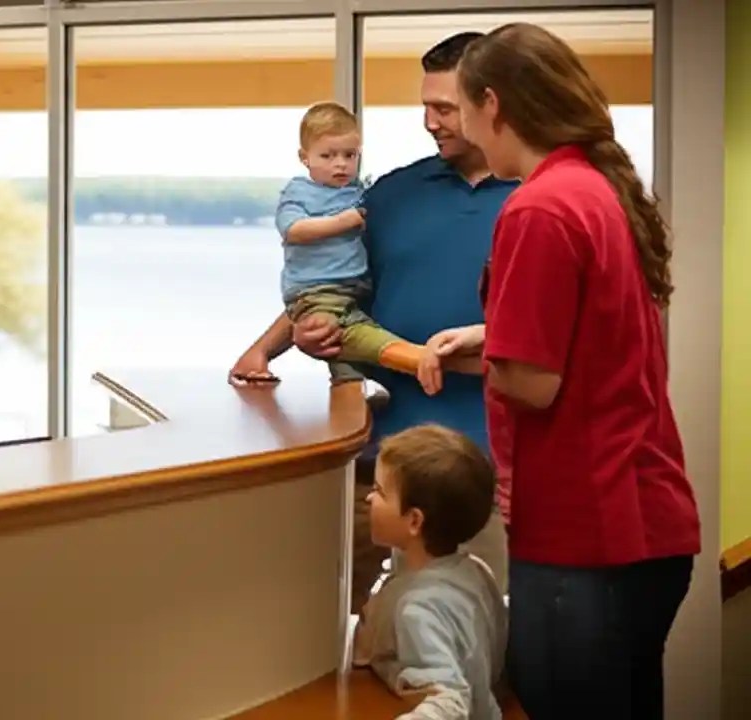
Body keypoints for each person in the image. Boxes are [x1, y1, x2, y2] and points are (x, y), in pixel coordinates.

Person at [418, 23, 701, 720]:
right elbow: (591, 344)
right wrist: (493, 341)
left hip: (586, 534)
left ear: (494, 104)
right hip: (644, 521)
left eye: (459, 108)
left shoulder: (540, 207)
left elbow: (534, 383)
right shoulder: (595, 188)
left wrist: (494, 358)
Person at [230, 32, 517, 611]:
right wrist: (276, 345)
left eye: (445, 108)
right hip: (378, 463)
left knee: (481, 640)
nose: (430, 123)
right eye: (425, 106)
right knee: (342, 634)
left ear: (493, 103)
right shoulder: (389, 193)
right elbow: (335, 286)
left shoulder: (539, 198)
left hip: (490, 471)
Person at [253, 101, 421, 385]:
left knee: (346, 370)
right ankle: (412, 358)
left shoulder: (355, 191)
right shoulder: (301, 192)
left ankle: (350, 397)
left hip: (353, 289)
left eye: (349, 155)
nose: (340, 164)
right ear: (304, 158)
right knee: (336, 331)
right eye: (327, 156)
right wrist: (344, 221)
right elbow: (293, 229)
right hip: (318, 290)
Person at [352, 424, 506, 720]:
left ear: (414, 521)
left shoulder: (419, 610)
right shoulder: (476, 572)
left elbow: (450, 701)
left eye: (379, 492)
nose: (370, 499)